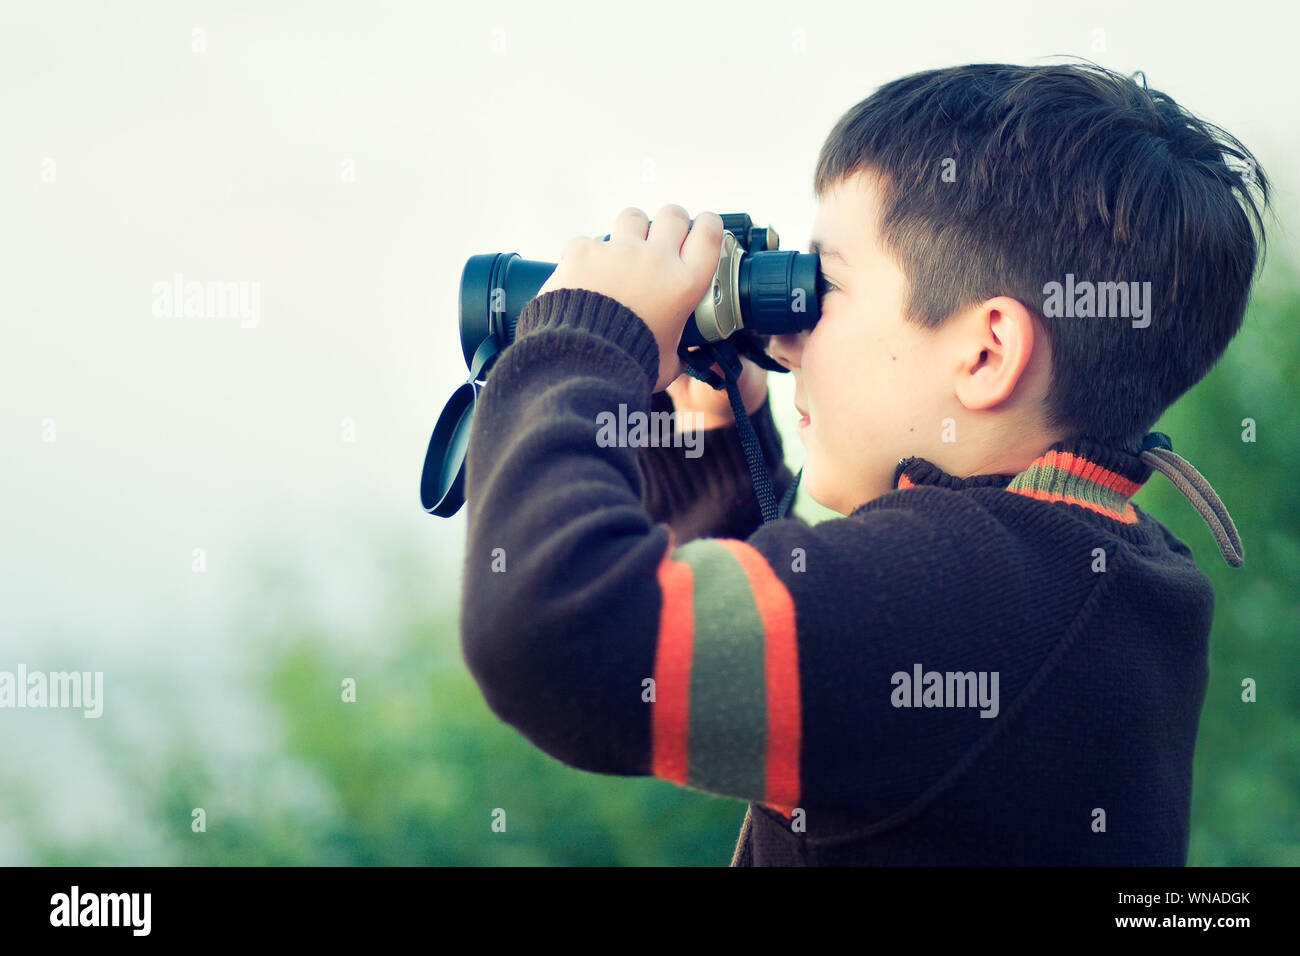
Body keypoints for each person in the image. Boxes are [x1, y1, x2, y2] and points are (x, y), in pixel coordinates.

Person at [456, 62, 1269, 865]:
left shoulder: (962, 595)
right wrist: (710, 440)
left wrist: (587, 341)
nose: (783, 337)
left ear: (987, 352)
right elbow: (817, 672)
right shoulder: (1109, 574)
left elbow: (556, 635)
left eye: (824, 288)